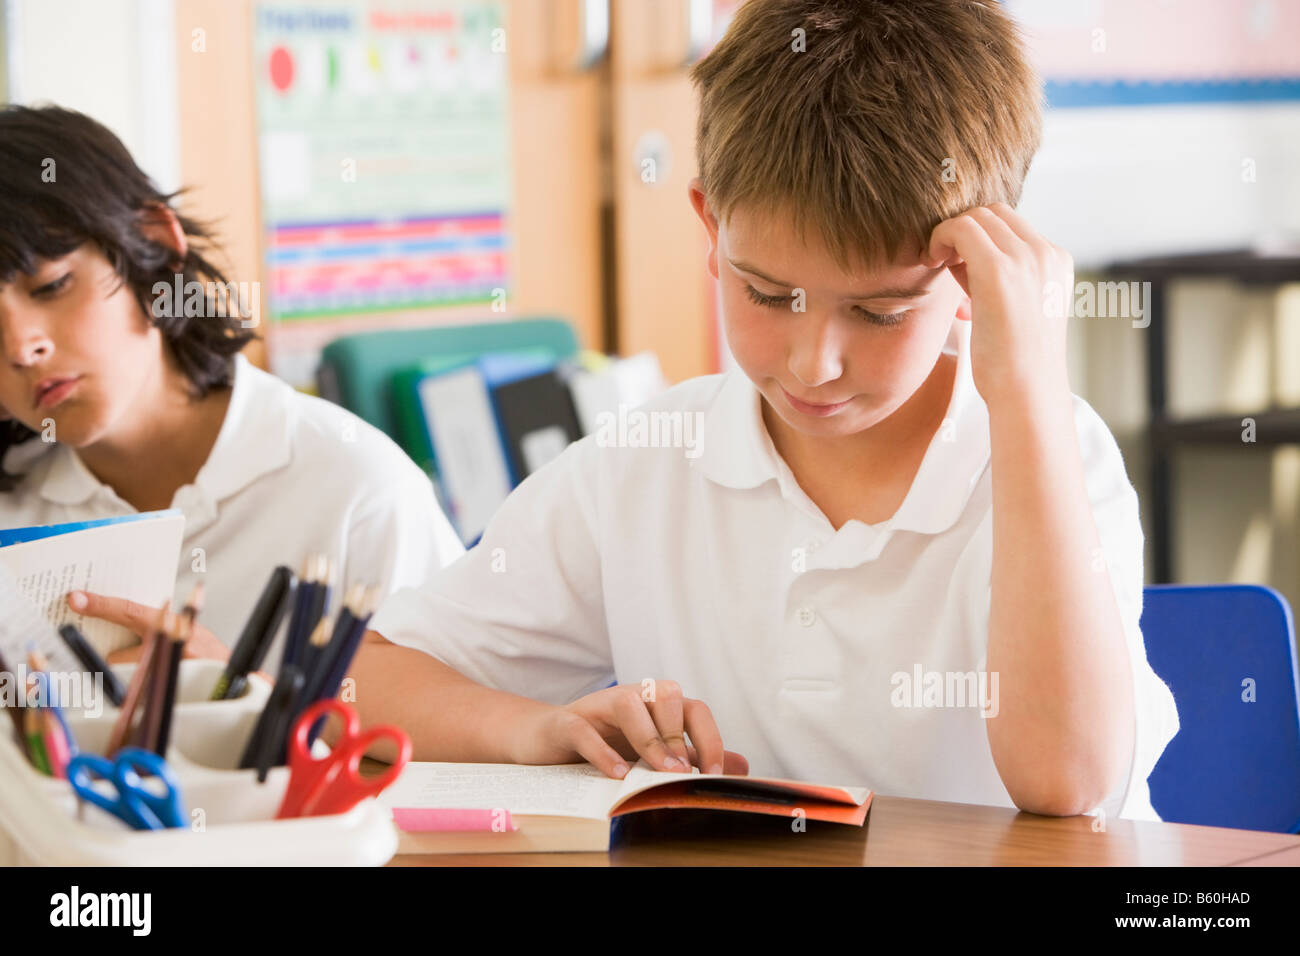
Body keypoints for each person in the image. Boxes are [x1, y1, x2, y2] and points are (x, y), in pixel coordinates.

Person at [347, 0, 1178, 819]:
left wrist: (1026, 388)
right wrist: (535, 727)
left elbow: (1067, 783)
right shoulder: (650, 460)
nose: (815, 361)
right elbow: (363, 680)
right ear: (710, 224)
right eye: (769, 294)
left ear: (972, 275)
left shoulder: (1048, 450)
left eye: (879, 312)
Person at [0, 105, 463, 664]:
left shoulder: (357, 493)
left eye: (51, 286)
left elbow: (465, 737)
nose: (21, 348)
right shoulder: (14, 511)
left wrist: (233, 705)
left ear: (157, 245)